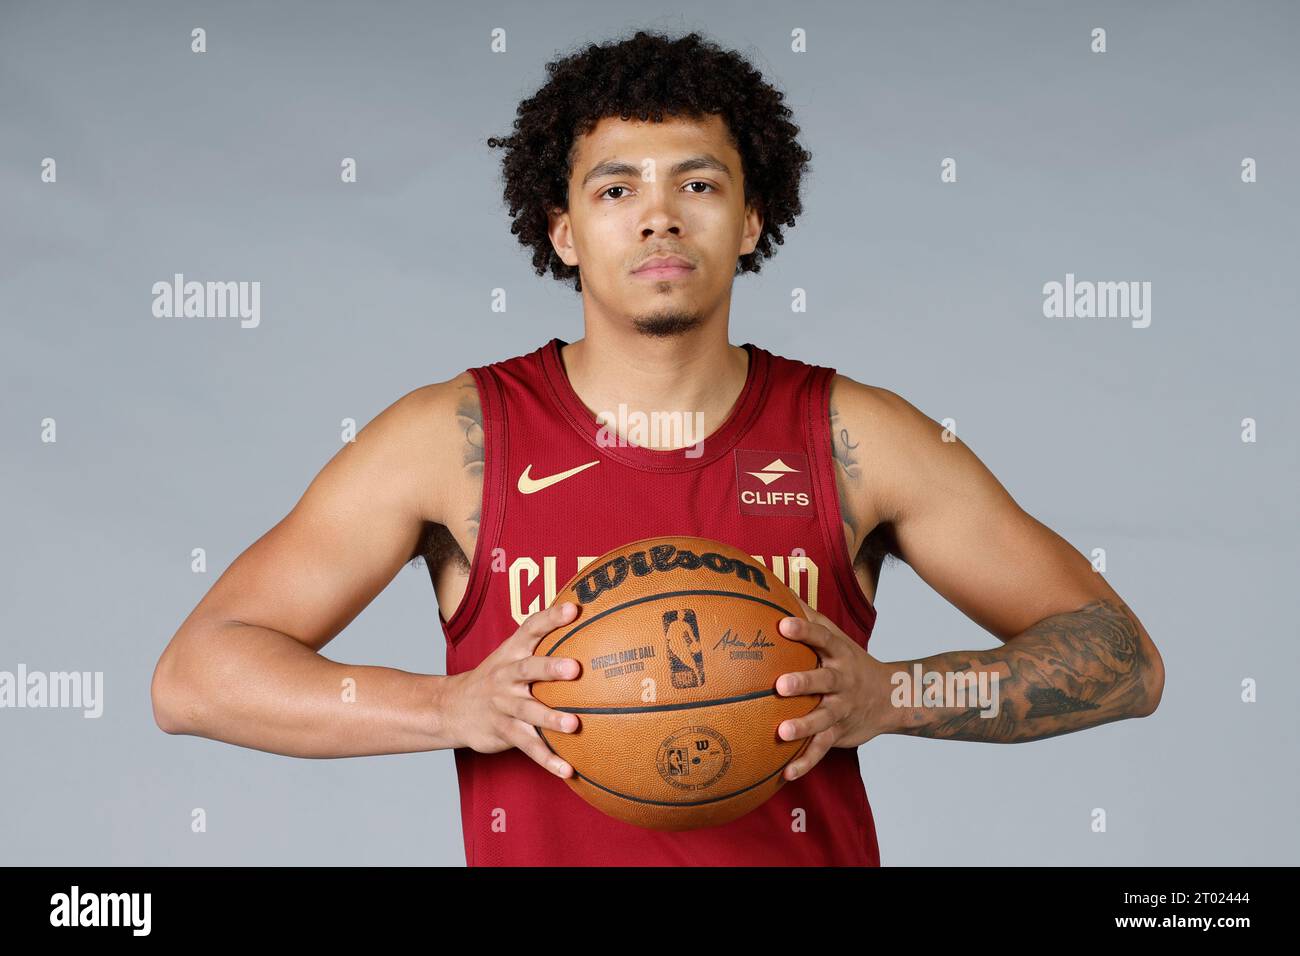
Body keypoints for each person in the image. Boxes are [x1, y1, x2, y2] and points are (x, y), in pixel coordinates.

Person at [151, 30, 1164, 866]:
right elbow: (197, 673)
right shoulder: (452, 440)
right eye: (613, 189)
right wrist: (450, 704)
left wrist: (891, 692)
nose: (658, 217)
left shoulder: (855, 436)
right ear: (561, 231)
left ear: (751, 216)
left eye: (699, 184)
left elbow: (1123, 658)